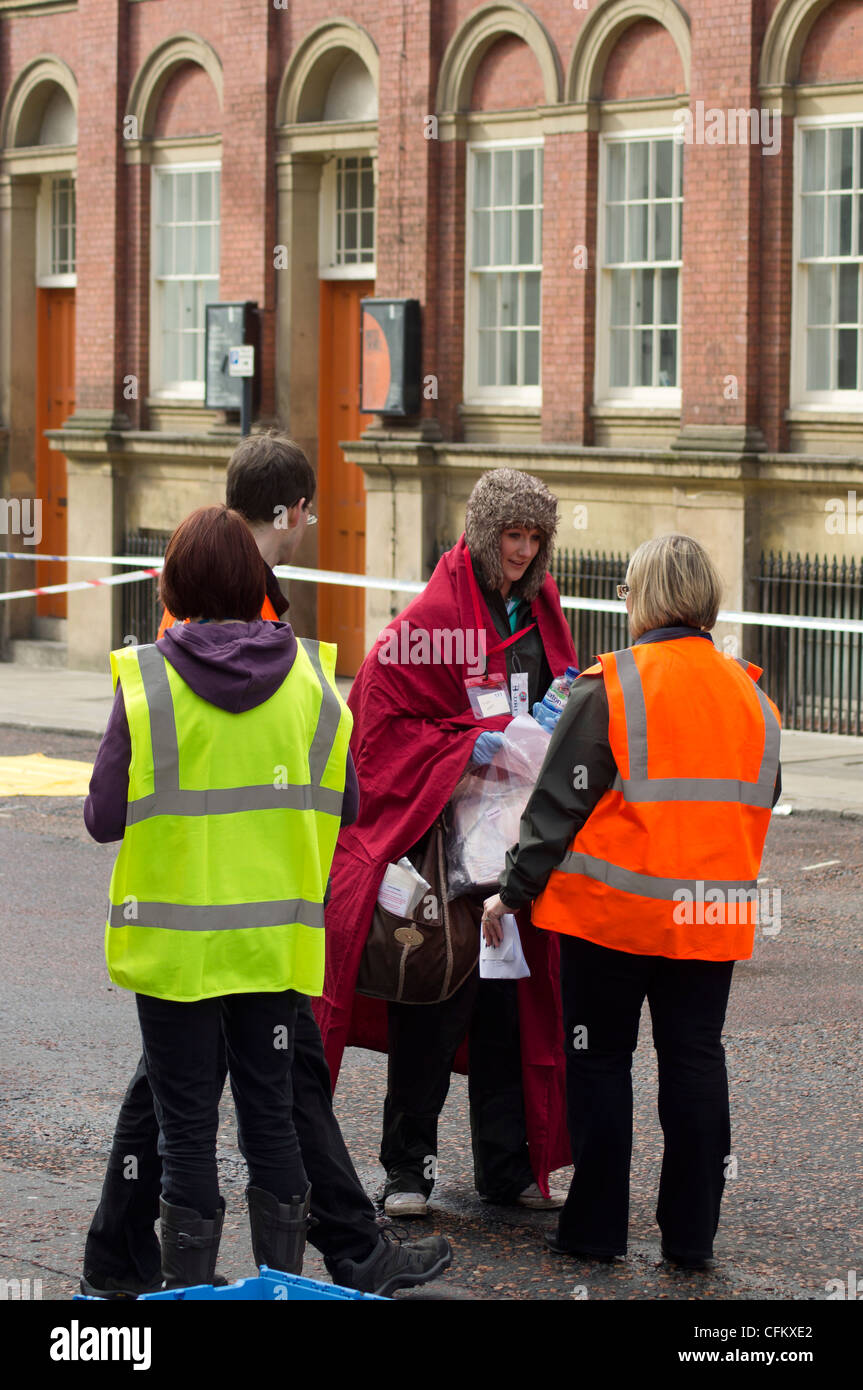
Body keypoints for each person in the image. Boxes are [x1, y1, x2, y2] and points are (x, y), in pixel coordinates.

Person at [82, 433, 451, 1297]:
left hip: (175, 953)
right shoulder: (314, 681)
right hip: (273, 946)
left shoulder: (148, 681)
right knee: (270, 1124)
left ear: (173, 586)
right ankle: (282, 1283)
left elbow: (103, 818)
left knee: (181, 1129)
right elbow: (348, 805)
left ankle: (176, 1285)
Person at [482, 533, 782, 1268]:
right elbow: (763, 796)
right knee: (692, 1063)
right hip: (709, 915)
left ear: (644, 596)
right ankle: (689, 1239)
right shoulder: (752, 695)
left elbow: (553, 809)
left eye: (624, 589)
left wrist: (510, 893)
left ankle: (594, 1233)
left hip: (613, 917)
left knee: (599, 1063)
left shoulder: (611, 683)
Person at [316, 468, 577, 1219]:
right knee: (429, 1002)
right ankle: (406, 1172)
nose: (523, 551)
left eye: (534, 537)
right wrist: (465, 748)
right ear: (483, 534)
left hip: (515, 846)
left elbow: (559, 695)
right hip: (438, 847)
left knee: (507, 1013)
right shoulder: (434, 614)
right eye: (511, 536)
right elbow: (377, 720)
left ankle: (508, 1168)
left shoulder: (541, 608)